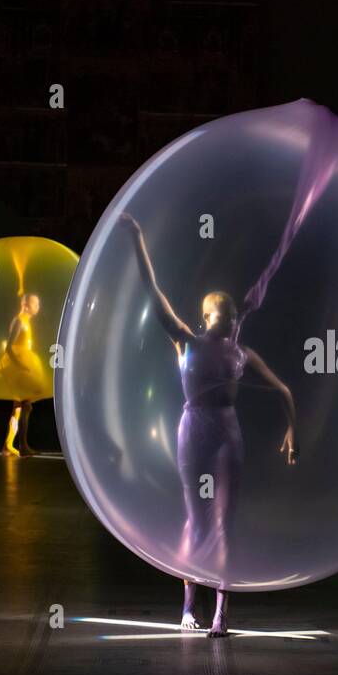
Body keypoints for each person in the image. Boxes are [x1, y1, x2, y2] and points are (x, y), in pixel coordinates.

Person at [122, 213, 297, 638]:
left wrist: (292, 431)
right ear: (206, 318)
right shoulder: (186, 341)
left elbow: (283, 390)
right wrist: (138, 238)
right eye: (221, 316)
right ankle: (187, 605)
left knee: (223, 521)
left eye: (232, 316)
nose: (229, 321)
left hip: (226, 436)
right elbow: (154, 291)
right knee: (194, 518)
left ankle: (220, 612)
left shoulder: (241, 354)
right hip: (194, 431)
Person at [0, 293, 44, 456]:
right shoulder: (19, 321)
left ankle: (9, 444)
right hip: (18, 367)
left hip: (23, 364)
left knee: (18, 408)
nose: (38, 307)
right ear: (25, 305)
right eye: (34, 304)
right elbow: (9, 347)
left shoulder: (26, 322)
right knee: (25, 406)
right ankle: (22, 445)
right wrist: (20, 366)